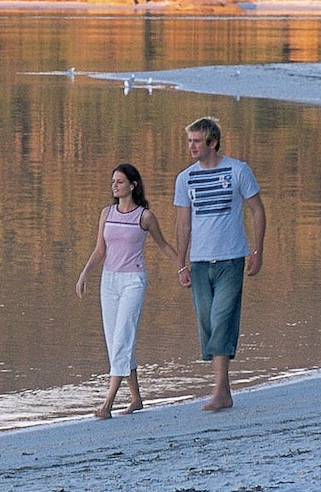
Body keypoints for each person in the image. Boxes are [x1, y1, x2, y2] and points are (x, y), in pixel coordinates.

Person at [171, 116, 266, 412]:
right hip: (199, 263)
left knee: (222, 319)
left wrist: (257, 251)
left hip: (231, 259)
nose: (191, 146)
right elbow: (182, 222)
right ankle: (224, 391)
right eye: (189, 141)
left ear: (212, 142)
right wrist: (181, 263)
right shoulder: (185, 178)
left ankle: (217, 392)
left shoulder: (238, 170)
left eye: (197, 141)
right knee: (208, 324)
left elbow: (257, 211)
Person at [75, 163, 184, 419]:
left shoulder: (144, 216)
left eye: (120, 181)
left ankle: (108, 402)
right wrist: (84, 274)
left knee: (123, 337)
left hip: (133, 281)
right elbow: (100, 249)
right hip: (109, 282)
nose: (115, 185)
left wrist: (183, 268)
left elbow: (164, 246)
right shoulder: (107, 213)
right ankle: (136, 398)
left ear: (133, 185)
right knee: (116, 341)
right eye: (113, 181)